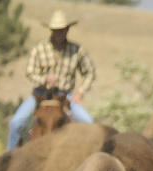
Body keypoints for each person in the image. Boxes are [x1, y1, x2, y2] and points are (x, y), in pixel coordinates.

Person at [7, 11, 96, 150]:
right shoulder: (39, 49)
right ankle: (10, 158)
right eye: (56, 30)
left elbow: (89, 72)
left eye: (62, 30)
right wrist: (44, 79)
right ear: (51, 30)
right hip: (40, 95)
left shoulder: (77, 50)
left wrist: (80, 92)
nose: (59, 33)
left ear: (67, 29)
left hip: (65, 96)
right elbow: (29, 72)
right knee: (16, 123)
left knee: (89, 123)